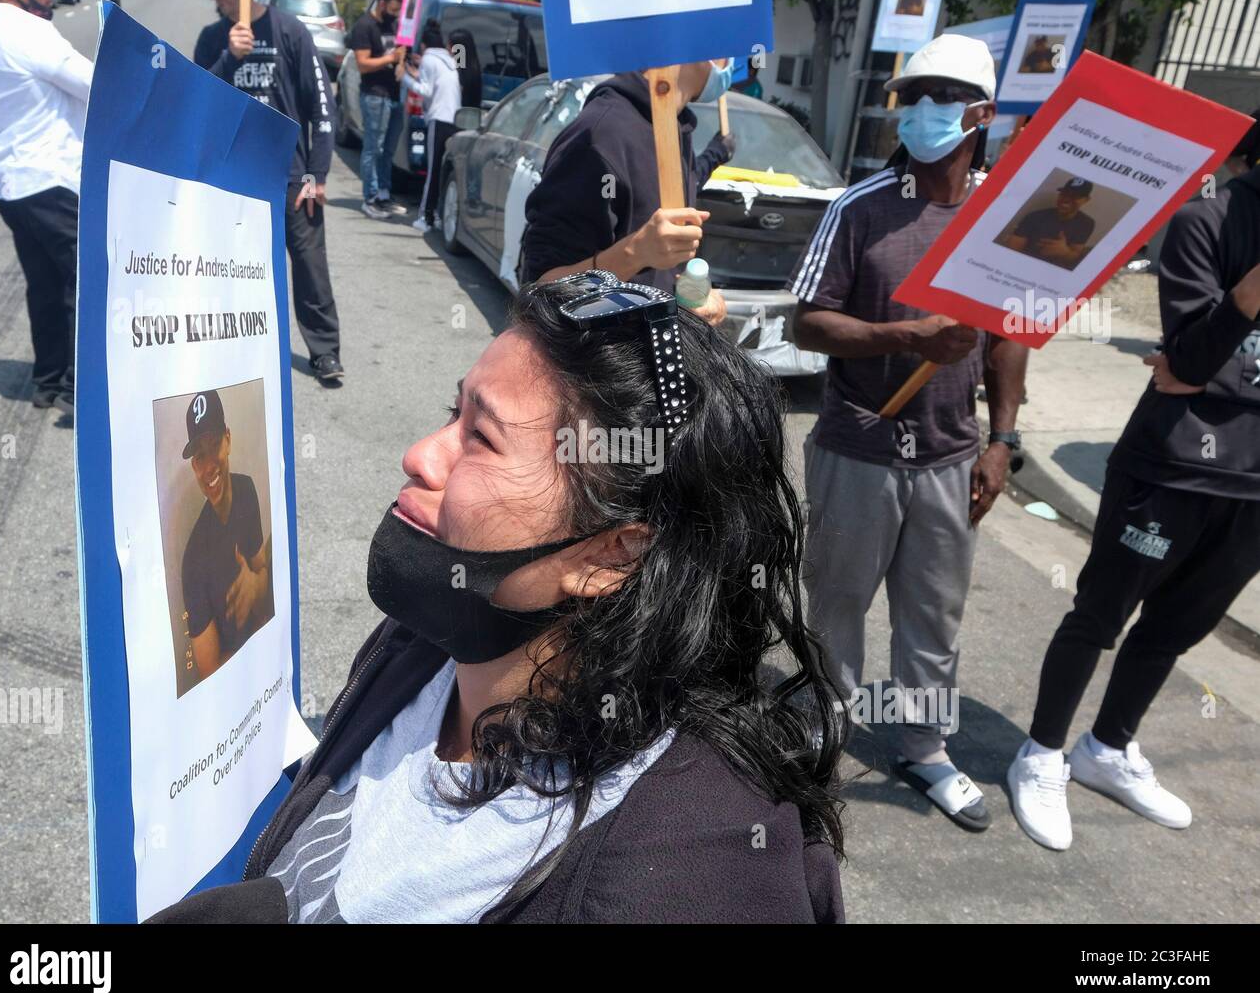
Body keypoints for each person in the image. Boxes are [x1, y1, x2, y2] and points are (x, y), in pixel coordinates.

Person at [149, 273, 847, 923]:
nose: (421, 454)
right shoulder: (426, 646)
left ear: (611, 554)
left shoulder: (688, 878)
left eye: (479, 436)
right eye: (452, 411)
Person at [788, 34, 1029, 831]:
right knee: (837, 607)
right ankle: (824, 731)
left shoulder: (1006, 216)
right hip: (857, 449)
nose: (922, 113)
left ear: (981, 113)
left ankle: (925, 747)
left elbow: (1010, 339)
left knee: (932, 618)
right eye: (912, 97)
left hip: (952, 458)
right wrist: (908, 338)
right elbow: (808, 324)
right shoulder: (859, 209)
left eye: (942, 97)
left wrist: (1002, 440)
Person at [1007, 126, 1260, 852]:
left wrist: (1212, 364)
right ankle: (1043, 751)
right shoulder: (1207, 219)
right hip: (1170, 463)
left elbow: (1204, 362)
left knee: (1178, 626)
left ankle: (1108, 746)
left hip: (1253, 485)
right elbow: (1189, 356)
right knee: (1101, 612)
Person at [195, 0, 345, 384]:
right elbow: (199, 106)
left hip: (294, 179)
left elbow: (323, 108)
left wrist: (317, 172)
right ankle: (237, 349)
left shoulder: (289, 31)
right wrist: (229, 58)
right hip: (235, 181)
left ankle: (325, 350)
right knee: (234, 268)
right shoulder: (212, 38)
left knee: (310, 266)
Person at [0, 0, 92, 416]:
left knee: (44, 282)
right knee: (84, 280)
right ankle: (78, 388)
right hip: (48, 177)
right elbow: (93, 84)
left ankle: (49, 380)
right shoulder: (30, 33)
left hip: (5, 184)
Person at [520, 61, 736, 325]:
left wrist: (695, 301)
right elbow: (542, 289)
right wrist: (635, 253)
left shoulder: (672, 127)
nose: (734, 60)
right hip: (597, 362)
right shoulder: (601, 135)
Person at [179, 390, 273, 680]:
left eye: (214, 444)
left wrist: (257, 587)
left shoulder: (245, 489)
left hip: (267, 660)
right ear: (194, 466)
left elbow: (261, 568)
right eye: (199, 456)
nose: (208, 466)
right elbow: (209, 673)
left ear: (228, 440)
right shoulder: (193, 561)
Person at [398, 19, 460, 234]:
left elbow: (425, 90)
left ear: (423, 46)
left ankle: (425, 217)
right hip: (454, 119)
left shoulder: (428, 60)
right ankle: (437, 214)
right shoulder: (448, 60)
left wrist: (404, 78)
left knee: (432, 172)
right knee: (442, 172)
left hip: (438, 119)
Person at [351, 0, 408, 220]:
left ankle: (384, 194)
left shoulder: (392, 25)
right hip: (374, 94)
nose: (395, 15)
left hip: (394, 96)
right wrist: (390, 58)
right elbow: (362, 63)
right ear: (382, 3)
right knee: (373, 148)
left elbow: (401, 49)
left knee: (388, 150)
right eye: (393, 9)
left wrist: (402, 61)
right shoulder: (365, 26)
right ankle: (370, 198)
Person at [1005, 176, 1096, 270]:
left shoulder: (1086, 223)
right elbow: (1011, 251)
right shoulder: (1034, 217)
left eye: (1075, 196)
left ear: (1086, 200)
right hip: (1022, 267)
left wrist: (1065, 253)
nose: (1066, 199)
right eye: (1064, 194)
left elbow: (1074, 257)